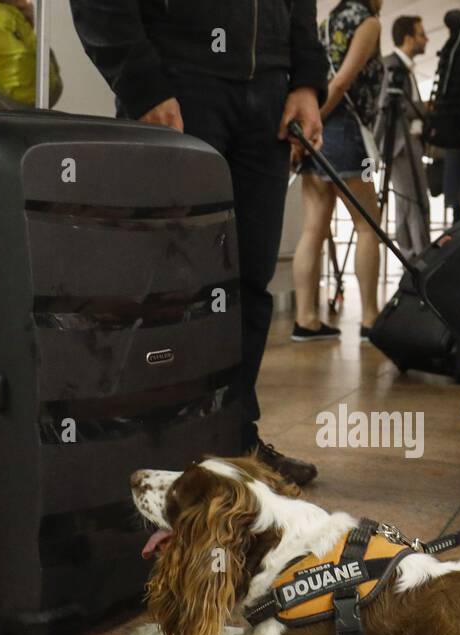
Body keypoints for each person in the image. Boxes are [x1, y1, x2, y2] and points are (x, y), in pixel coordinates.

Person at [70, 0, 326, 487]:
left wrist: (306, 82)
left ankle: (235, 439)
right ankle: (158, 447)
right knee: (169, 282)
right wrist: (141, 82)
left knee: (249, 280)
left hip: (268, 91)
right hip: (179, 77)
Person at [290, 0, 384, 343]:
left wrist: (306, 130)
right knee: (368, 226)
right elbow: (342, 83)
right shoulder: (368, 23)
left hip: (314, 136)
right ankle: (371, 319)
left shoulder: (326, 22)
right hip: (344, 131)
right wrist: (318, 116)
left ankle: (306, 319)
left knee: (313, 229)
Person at [376, 15, 431, 261]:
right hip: (399, 146)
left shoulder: (404, 69)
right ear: (408, 38)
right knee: (411, 204)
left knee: (407, 205)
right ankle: (417, 259)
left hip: (409, 145)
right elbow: (388, 106)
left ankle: (414, 257)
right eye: (421, 34)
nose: (426, 39)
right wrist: (425, 107)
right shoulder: (391, 66)